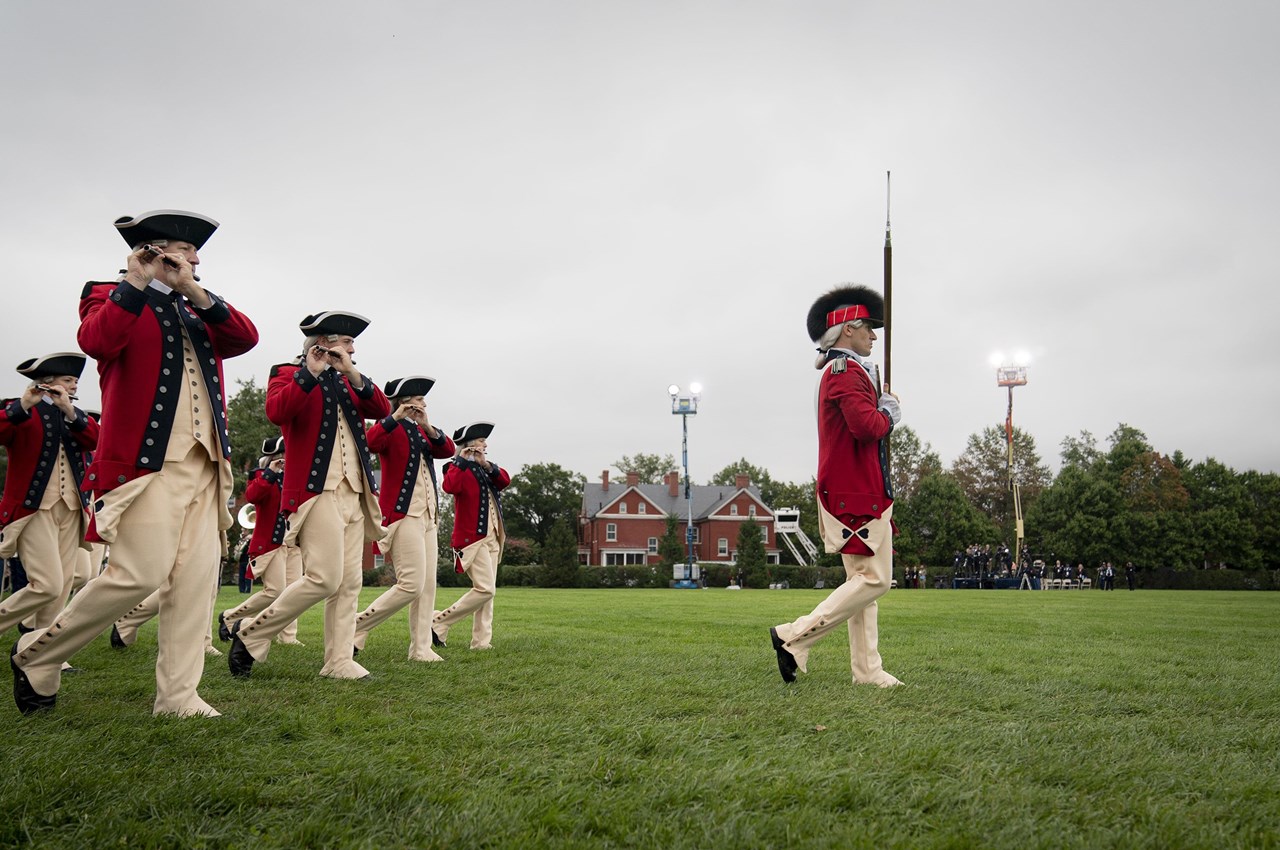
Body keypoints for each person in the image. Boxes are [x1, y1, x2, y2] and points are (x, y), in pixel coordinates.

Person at [11, 210, 258, 717]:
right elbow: (97, 342)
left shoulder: (198, 309)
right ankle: (37, 654)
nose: (194, 260)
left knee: (194, 584)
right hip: (148, 466)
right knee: (138, 575)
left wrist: (192, 289)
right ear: (155, 250)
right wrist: (138, 278)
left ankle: (178, 696)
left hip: (207, 465)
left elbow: (245, 338)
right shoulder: (109, 293)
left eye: (195, 255)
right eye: (185, 251)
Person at [227, 311, 390, 680]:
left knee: (349, 583)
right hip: (316, 491)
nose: (352, 348)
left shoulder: (350, 381)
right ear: (325, 343)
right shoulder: (288, 373)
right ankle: (252, 632)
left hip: (354, 491)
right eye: (346, 342)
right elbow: (277, 411)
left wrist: (349, 371)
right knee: (324, 578)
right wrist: (311, 372)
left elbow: (380, 409)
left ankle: (338, 661)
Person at [770, 285, 903, 688]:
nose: (874, 337)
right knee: (875, 580)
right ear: (848, 330)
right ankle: (793, 636)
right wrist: (889, 413)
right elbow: (866, 428)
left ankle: (867, 670)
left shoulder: (846, 371)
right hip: (854, 491)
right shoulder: (843, 372)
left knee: (862, 583)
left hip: (858, 489)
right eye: (868, 329)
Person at [353, 376, 455, 661]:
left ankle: (421, 648)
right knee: (411, 583)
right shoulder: (389, 426)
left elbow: (447, 449)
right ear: (403, 401)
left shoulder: (424, 430)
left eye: (423, 401)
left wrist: (425, 423)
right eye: (418, 400)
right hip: (403, 512)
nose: (422, 404)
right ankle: (357, 624)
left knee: (427, 585)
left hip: (429, 514)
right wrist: (394, 416)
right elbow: (370, 443)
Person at [0, 354, 100, 638]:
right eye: (68, 380)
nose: (73, 386)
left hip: (71, 508)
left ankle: (39, 649)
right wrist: (24, 404)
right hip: (33, 509)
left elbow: (96, 441)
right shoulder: (19, 411)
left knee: (64, 584)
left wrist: (69, 410)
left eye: (75, 382)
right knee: (47, 585)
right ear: (46, 382)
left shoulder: (74, 415)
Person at [216, 437, 304, 647]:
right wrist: (271, 472)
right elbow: (253, 495)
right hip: (271, 542)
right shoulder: (260, 475)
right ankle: (229, 617)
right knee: (274, 591)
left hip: (292, 541)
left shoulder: (296, 476)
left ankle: (288, 637)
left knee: (295, 592)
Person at [432, 422, 510, 651]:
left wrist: (485, 464)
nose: (485, 444)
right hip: (472, 539)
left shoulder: (486, 468)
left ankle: (481, 642)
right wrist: (462, 460)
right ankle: (439, 621)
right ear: (471, 443)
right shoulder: (455, 467)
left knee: (487, 594)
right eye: (482, 441)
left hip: (493, 536)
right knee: (485, 589)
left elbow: (504, 480)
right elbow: (450, 486)